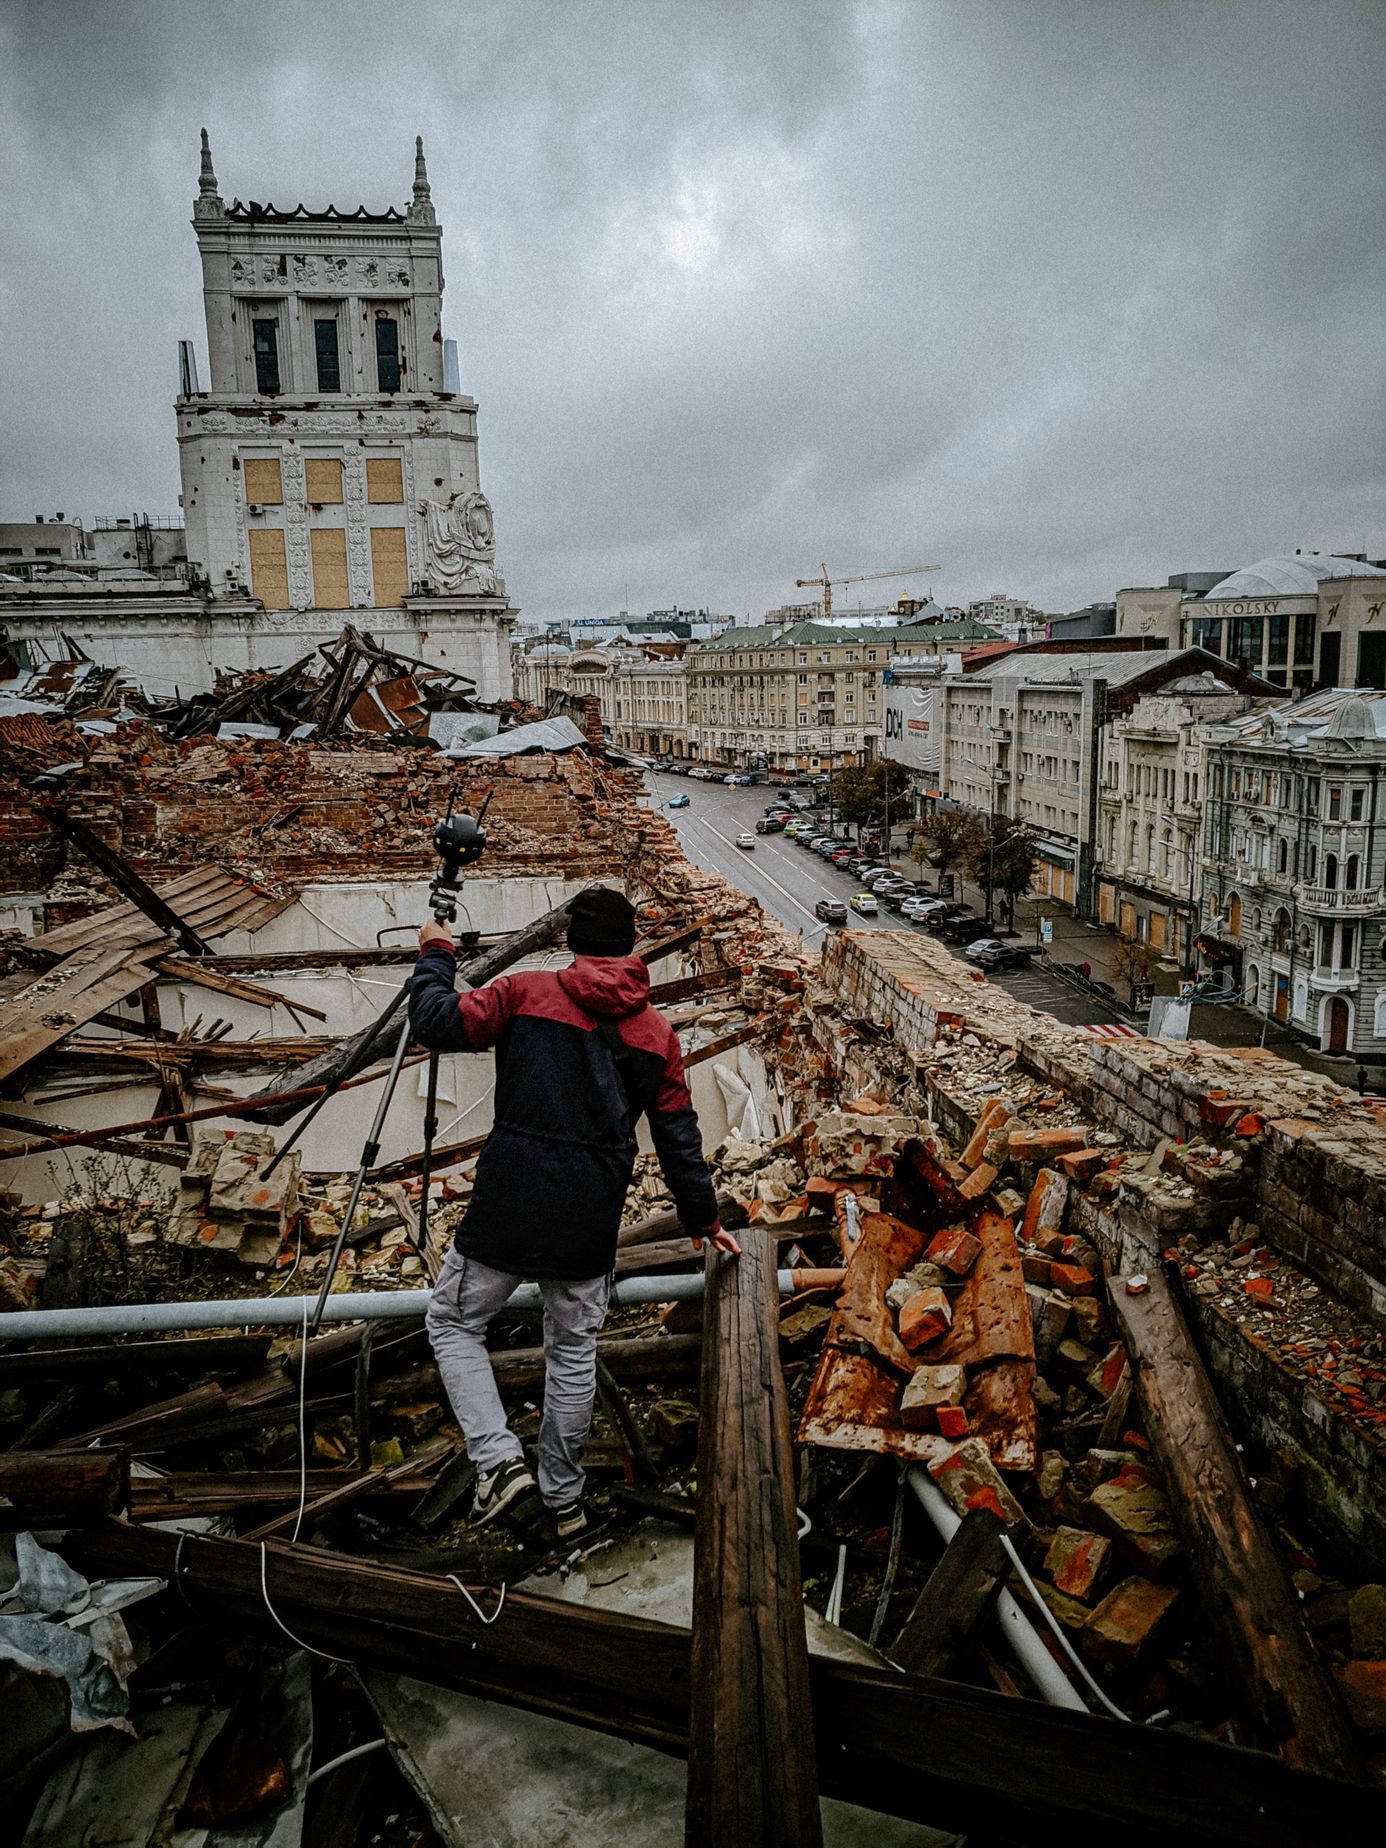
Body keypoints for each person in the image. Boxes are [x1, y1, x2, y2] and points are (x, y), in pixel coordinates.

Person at [408, 886, 738, 1539]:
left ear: (572, 940)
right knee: (573, 1348)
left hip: (510, 1196)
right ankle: (562, 1502)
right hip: (590, 1211)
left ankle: (500, 1465)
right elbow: (678, 1140)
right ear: (630, 946)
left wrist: (436, 951)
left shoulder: (524, 994)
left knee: (451, 1322)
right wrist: (704, 1221)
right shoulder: (656, 1035)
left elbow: (434, 1021)